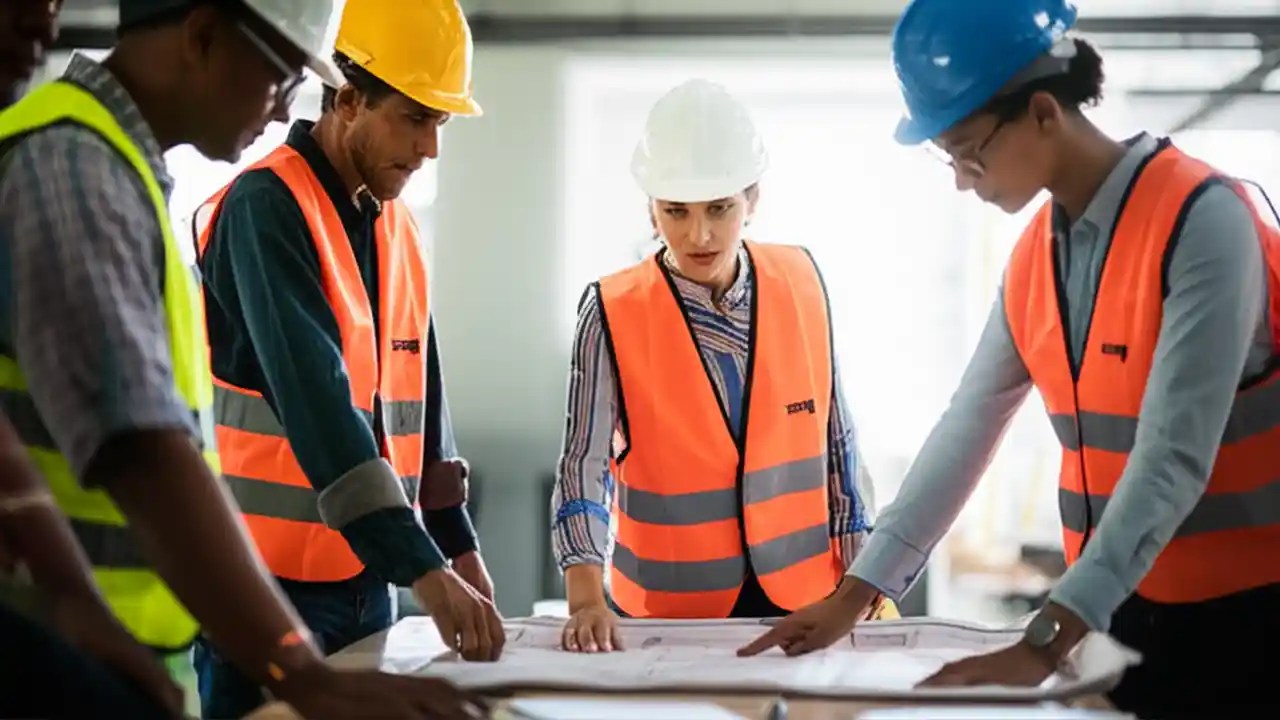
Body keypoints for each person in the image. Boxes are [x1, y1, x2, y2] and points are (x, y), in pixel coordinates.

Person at [738, 1, 1280, 717]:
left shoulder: (1203, 222)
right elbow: (968, 427)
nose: (963, 178)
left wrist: (1045, 639)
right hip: (1114, 611)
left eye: (969, 149)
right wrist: (855, 595)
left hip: (1246, 623)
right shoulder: (1036, 261)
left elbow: (1172, 459)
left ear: (1045, 113)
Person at [0, 1, 486, 718]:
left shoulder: (122, 172)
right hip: (101, 646)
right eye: (280, 73)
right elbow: (144, 449)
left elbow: (419, 405)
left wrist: (452, 546)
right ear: (201, 36)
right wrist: (300, 669)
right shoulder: (78, 169)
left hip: (136, 632)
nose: (286, 102)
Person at [190, 0, 503, 714]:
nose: (431, 149)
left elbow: (424, 398)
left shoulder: (398, 225)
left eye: (441, 124)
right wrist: (424, 567)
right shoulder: (263, 207)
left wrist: (456, 542)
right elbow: (318, 402)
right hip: (265, 597)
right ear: (350, 99)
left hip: (370, 587)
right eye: (416, 118)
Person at [552, 78, 896, 654]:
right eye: (675, 212)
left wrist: (867, 584)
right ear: (650, 208)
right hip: (671, 611)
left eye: (720, 208)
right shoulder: (610, 309)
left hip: (809, 598)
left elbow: (837, 445)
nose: (700, 234)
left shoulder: (803, 281)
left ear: (752, 199)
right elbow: (581, 465)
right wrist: (586, 600)